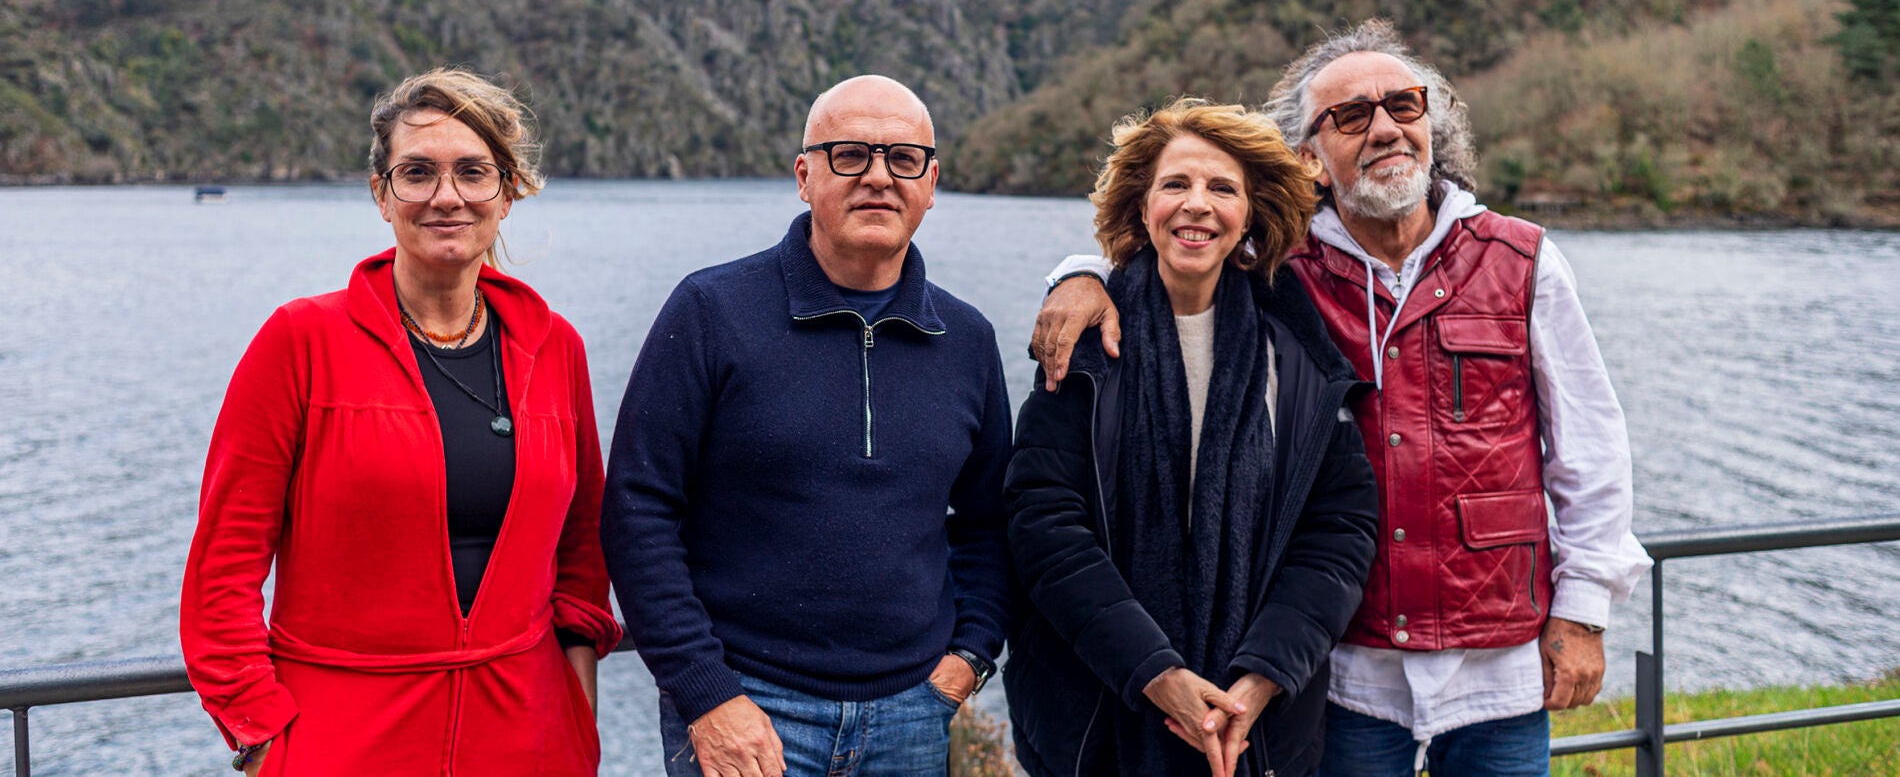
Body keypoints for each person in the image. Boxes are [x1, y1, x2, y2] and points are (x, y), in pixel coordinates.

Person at [1032, 21, 1651, 776]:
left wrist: (1583, 610)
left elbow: (1590, 443)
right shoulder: (1283, 271)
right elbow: (1181, 238)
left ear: (1432, 122)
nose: (1386, 127)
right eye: (1352, 116)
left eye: (1405, 104)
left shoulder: (1523, 260)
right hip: (1351, 669)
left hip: (1499, 667)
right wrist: (1078, 275)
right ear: (1310, 158)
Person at [180, 70, 621, 776]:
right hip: (341, 743)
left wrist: (576, 708)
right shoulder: (301, 342)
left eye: (473, 172)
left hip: (528, 742)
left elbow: (582, 551)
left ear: (508, 192)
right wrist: (264, 738)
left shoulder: (553, 346)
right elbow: (221, 571)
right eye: (418, 172)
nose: (446, 196)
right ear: (382, 194)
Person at [602, 75, 1012, 777]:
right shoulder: (710, 311)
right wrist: (706, 693)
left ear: (931, 181)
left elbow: (990, 520)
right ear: (804, 174)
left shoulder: (966, 338)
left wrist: (968, 658)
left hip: (912, 715)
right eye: (850, 154)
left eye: (903, 158)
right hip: (746, 709)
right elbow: (638, 509)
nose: (879, 177)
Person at [1006, 98, 1379, 777]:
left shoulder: (1296, 357)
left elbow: (1339, 530)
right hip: (1100, 726)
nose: (1196, 205)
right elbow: (1043, 524)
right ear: (1141, 206)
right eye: (1175, 184)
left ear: (1251, 214)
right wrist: (1154, 671)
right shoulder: (1086, 345)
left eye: (1222, 188)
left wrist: (1263, 675)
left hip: (1256, 730)